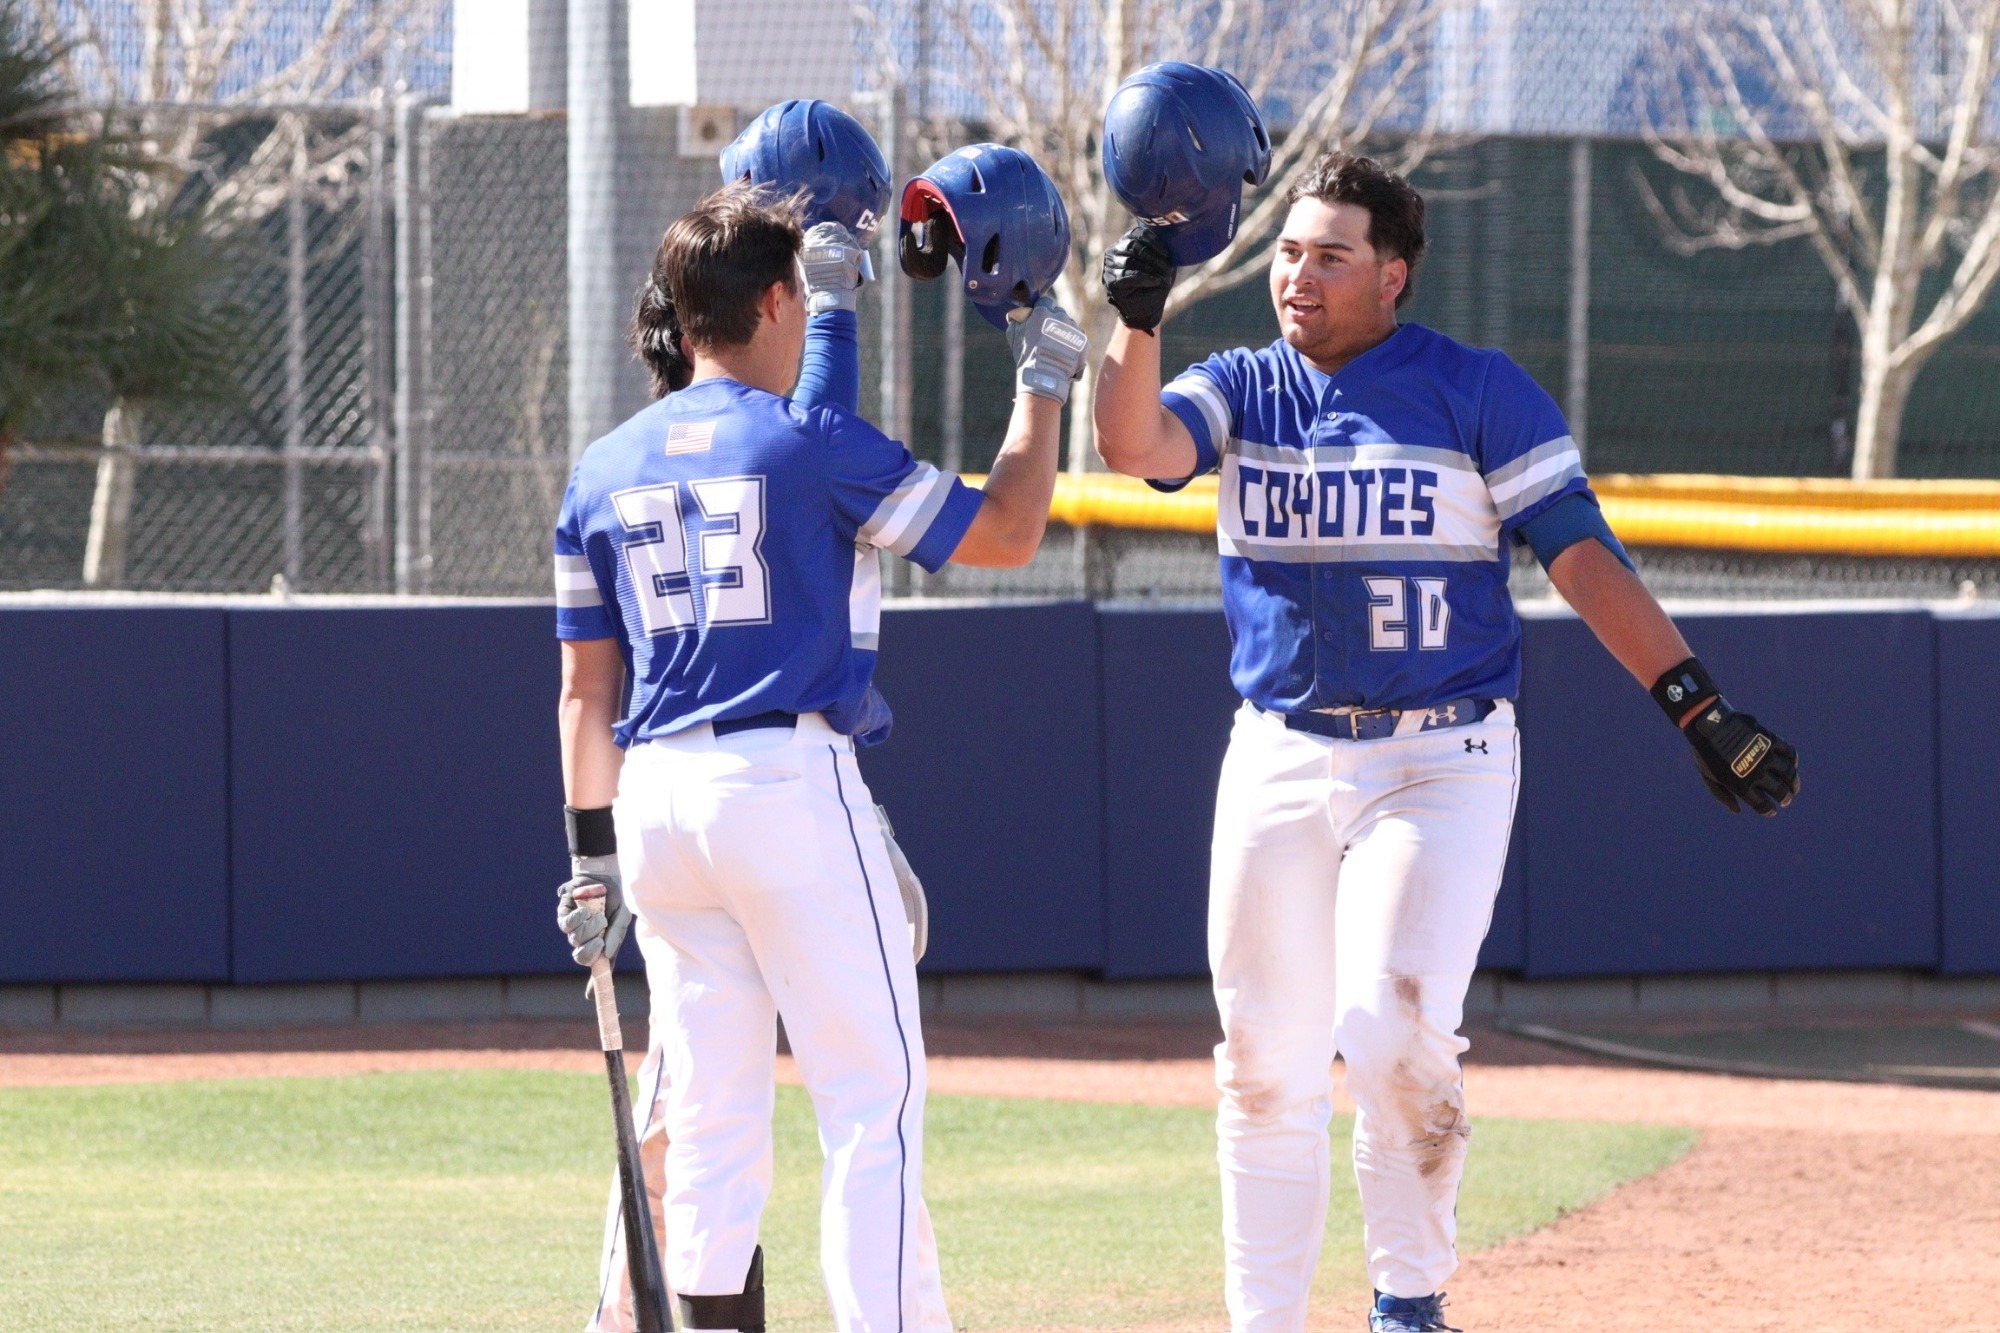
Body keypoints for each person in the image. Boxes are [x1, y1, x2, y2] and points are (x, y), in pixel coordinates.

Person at [1092, 151, 1799, 1333]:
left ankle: (1408, 1305)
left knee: (1389, 1031)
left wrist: (1693, 702)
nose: (1297, 276)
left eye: (1330, 256)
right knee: (1260, 1062)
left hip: (1437, 757)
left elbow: (1579, 554)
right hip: (1274, 752)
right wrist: (1134, 318)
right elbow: (1134, 447)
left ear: (1392, 275)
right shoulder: (1242, 384)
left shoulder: (1476, 389)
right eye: (1286, 252)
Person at [551, 180, 1087, 1333]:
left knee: (710, 1118)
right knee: (869, 1106)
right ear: (776, 299)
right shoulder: (806, 441)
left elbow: (584, 692)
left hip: (654, 801)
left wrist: (589, 862)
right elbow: (1006, 533)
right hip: (781, 784)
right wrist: (1041, 387)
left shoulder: (600, 467)